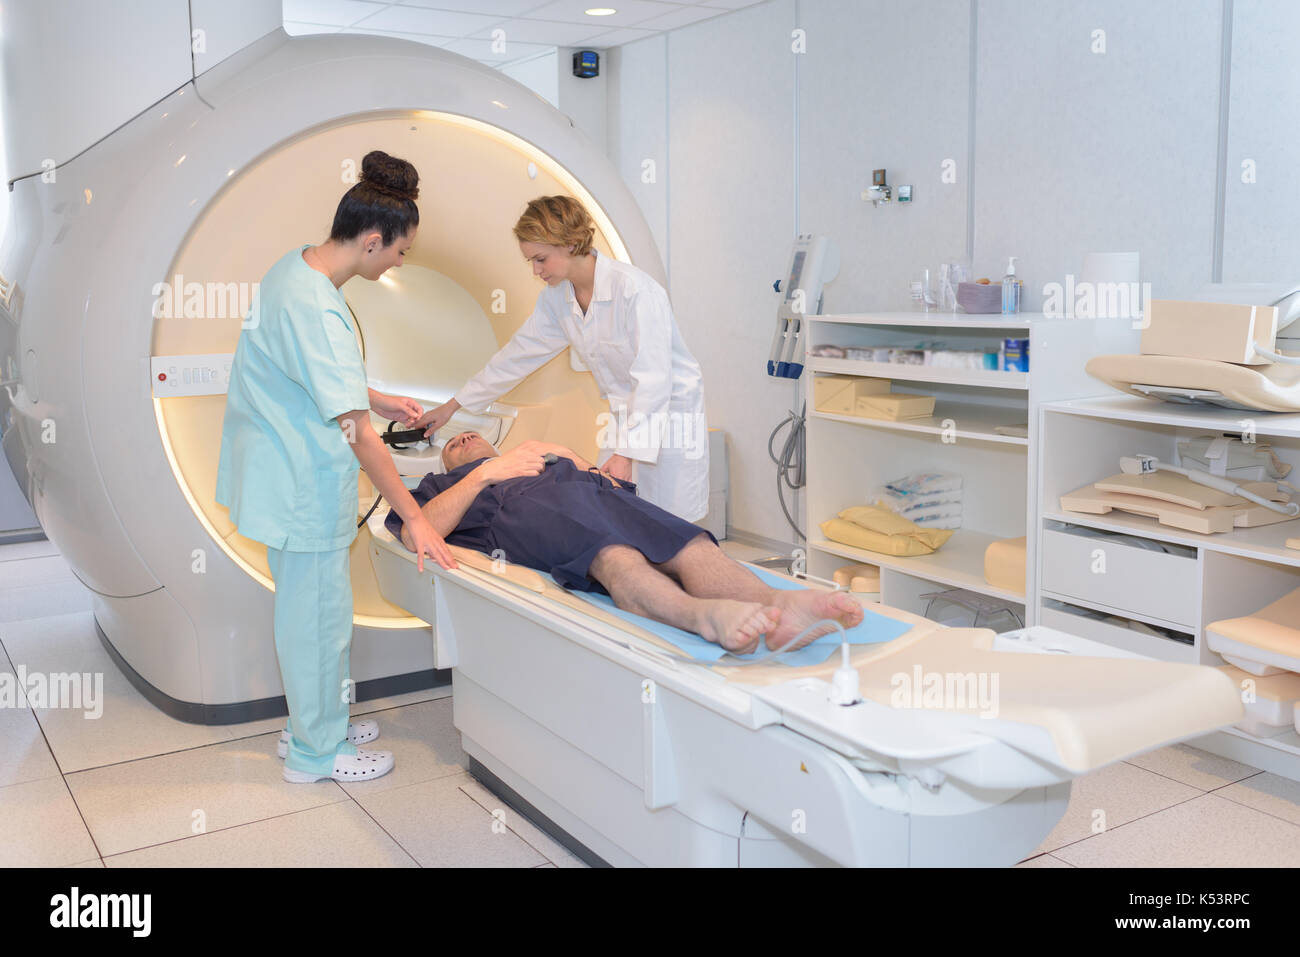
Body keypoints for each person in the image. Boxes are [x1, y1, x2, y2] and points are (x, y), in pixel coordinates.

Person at [216, 151, 455, 785]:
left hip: (280, 472)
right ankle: (316, 753)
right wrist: (415, 517)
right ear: (372, 241)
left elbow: (308, 370)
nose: (399, 263)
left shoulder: (293, 269)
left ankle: (313, 725)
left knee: (310, 616)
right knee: (318, 623)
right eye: (399, 252)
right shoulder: (318, 308)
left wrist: (374, 396)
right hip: (302, 485)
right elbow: (359, 436)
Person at [384, 432, 863, 654]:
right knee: (615, 556)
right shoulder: (444, 485)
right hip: (526, 513)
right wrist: (485, 473)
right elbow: (413, 531)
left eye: (471, 436)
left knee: (689, 544)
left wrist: (572, 458)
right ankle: (703, 616)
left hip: (594, 492)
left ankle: (780, 606)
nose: (463, 438)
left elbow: (612, 485)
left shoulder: (540, 454)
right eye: (453, 444)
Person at [413, 195, 709, 521]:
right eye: (531, 262)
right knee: (617, 511)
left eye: (541, 259)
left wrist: (627, 453)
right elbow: (517, 356)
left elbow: (653, 379)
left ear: (569, 243)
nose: (536, 271)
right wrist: (452, 406)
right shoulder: (557, 298)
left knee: (673, 520)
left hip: (668, 415)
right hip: (625, 416)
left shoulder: (634, 290)